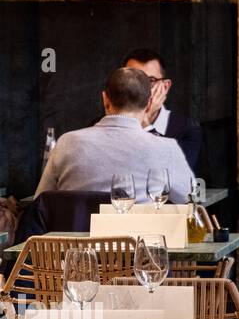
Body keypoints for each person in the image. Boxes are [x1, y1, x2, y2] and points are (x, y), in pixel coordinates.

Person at [36, 67, 194, 205]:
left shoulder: (66, 142)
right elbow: (189, 200)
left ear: (105, 99)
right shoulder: (167, 148)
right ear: (149, 104)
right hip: (138, 239)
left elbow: (41, 200)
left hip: (72, 239)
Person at [124, 48, 202, 170]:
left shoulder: (187, 129)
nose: (140, 89)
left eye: (150, 81)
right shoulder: (103, 125)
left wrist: (144, 121)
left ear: (165, 86)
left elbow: (175, 176)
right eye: (133, 80)